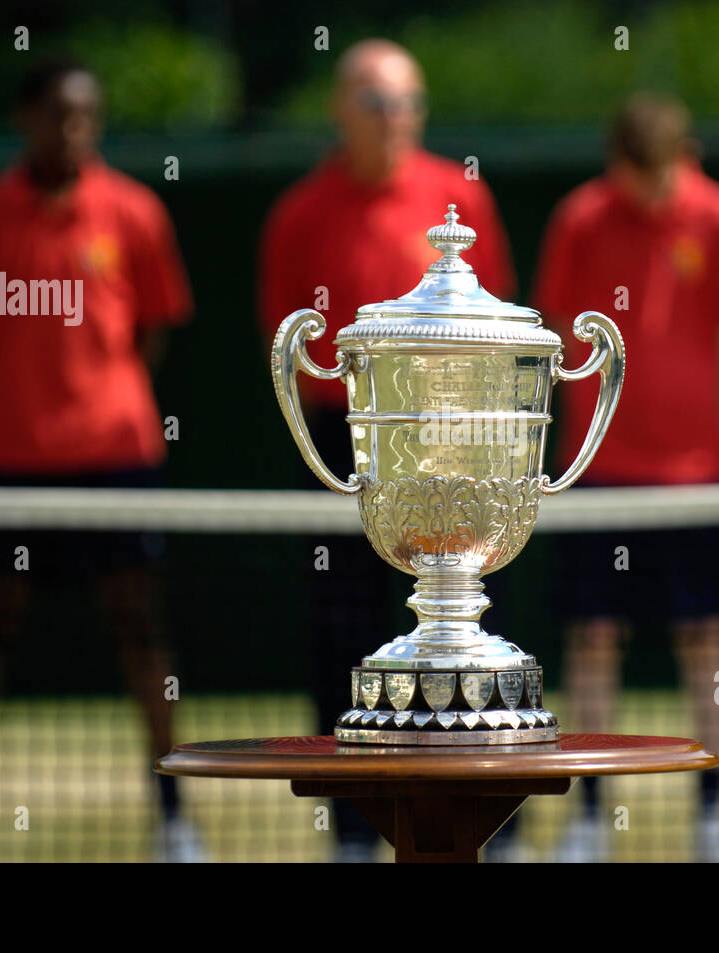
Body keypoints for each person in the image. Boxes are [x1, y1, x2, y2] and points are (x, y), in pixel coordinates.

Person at [0, 58, 202, 862]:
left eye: (88, 117)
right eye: (59, 116)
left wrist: (95, 402)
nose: (74, 131)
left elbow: (152, 330)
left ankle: (174, 817)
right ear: (28, 119)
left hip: (118, 460)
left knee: (141, 633)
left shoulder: (134, 211)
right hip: (10, 464)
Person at [258, 38, 515, 862]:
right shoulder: (301, 211)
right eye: (375, 103)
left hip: (452, 443)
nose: (393, 119)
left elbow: (497, 327)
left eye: (406, 102)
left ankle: (484, 813)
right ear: (341, 111)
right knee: (342, 628)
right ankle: (349, 827)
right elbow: (288, 344)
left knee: (461, 621)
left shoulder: (457, 194)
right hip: (347, 444)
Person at [534, 92, 719, 863]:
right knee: (595, 639)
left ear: (684, 156)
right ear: (615, 164)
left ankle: (714, 813)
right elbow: (559, 345)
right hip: (600, 474)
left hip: (699, 479)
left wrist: (707, 441)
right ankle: (592, 814)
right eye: (638, 176)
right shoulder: (579, 219)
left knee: (705, 638)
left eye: (662, 175)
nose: (652, 192)